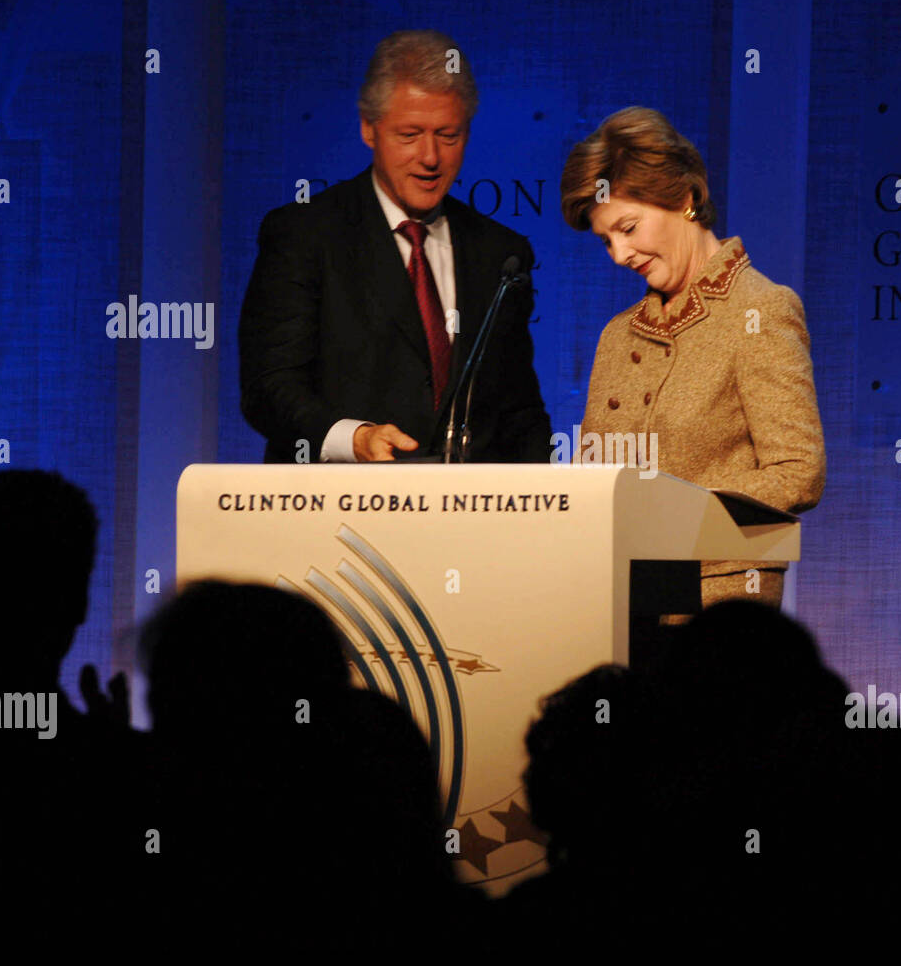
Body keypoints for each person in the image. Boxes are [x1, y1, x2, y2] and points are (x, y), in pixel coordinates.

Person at [240, 30, 550, 464]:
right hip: (338, 513)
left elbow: (520, 413)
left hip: (469, 523)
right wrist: (353, 438)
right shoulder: (304, 234)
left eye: (448, 135)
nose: (430, 157)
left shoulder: (500, 252)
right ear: (369, 128)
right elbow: (269, 387)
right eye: (409, 134)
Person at [560, 107, 824, 608]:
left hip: (719, 603)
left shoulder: (761, 309)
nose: (619, 254)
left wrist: (674, 511)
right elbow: (593, 478)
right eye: (606, 240)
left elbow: (798, 470)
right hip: (618, 600)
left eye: (629, 227)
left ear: (683, 200)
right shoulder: (617, 336)